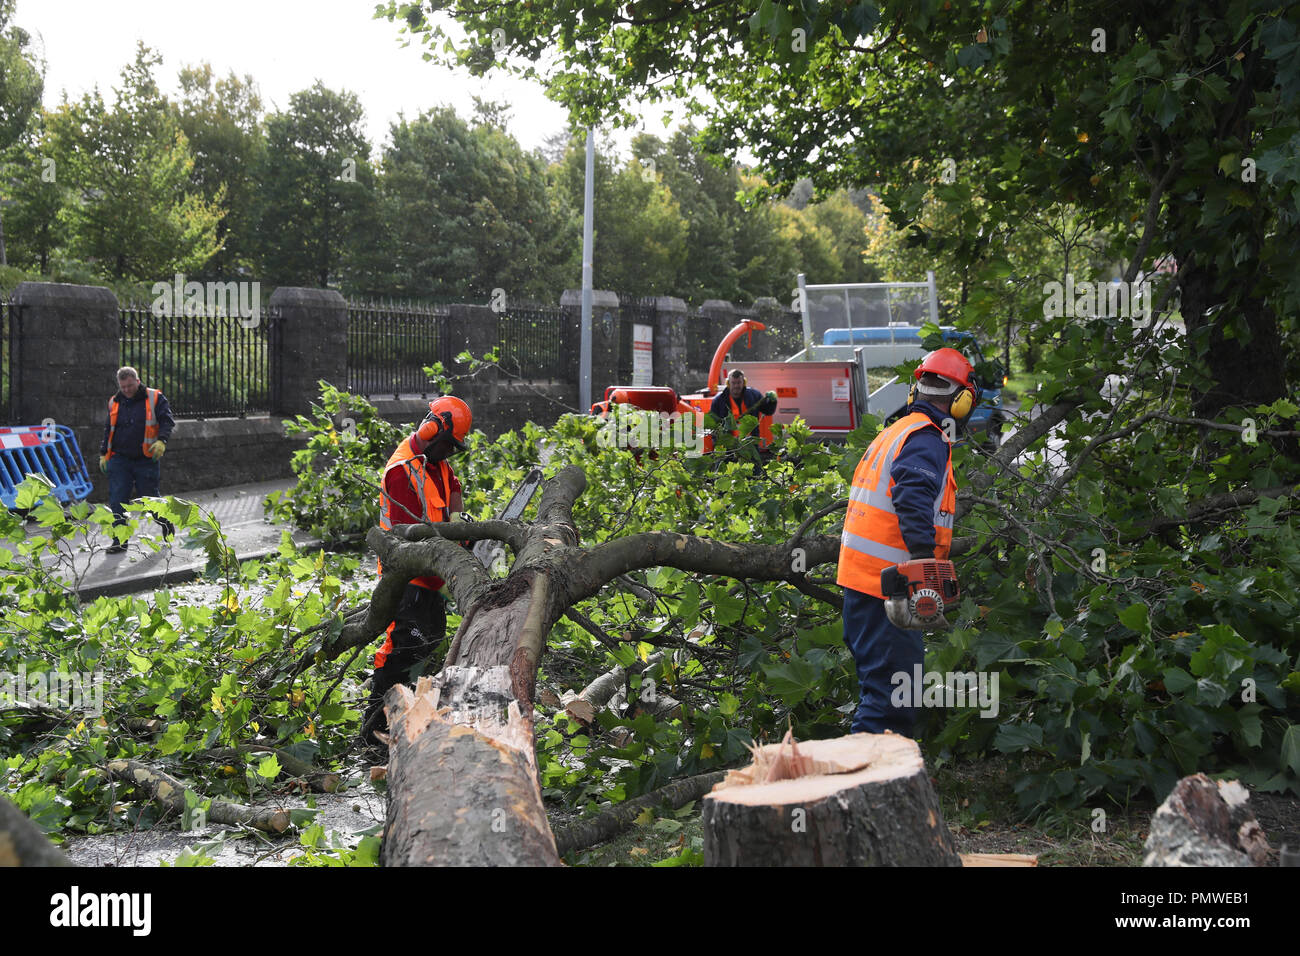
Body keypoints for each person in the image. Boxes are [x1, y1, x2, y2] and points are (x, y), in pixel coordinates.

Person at [836, 347, 976, 737]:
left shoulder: (896, 431)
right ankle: (863, 791)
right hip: (889, 586)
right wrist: (923, 561)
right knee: (892, 701)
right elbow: (912, 493)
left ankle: (873, 785)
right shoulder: (925, 439)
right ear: (962, 400)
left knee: (887, 692)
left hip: (865, 582)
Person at [361, 395, 472, 747]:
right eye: (448, 445)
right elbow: (411, 540)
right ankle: (374, 731)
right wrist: (454, 546)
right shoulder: (402, 472)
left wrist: (460, 523)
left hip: (432, 574)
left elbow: (451, 491)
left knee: (431, 639)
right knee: (403, 646)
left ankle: (406, 724)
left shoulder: (436, 463)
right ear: (431, 429)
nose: (451, 453)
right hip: (406, 578)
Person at [99, 366, 176, 554]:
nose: (127, 390)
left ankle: (166, 524)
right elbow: (109, 429)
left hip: (145, 459)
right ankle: (119, 541)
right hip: (120, 459)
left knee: (149, 501)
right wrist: (103, 453)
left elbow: (167, 421)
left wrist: (162, 441)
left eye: (130, 386)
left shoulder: (154, 397)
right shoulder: (114, 402)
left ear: (138, 381)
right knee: (117, 500)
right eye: (123, 387)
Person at [708, 368, 777, 448]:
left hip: (751, 444)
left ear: (744, 382)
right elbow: (713, 425)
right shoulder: (719, 401)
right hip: (728, 447)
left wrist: (772, 401)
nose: (736, 386)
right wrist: (717, 444)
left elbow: (768, 411)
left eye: (739, 382)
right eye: (733, 383)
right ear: (728, 383)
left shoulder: (754, 395)